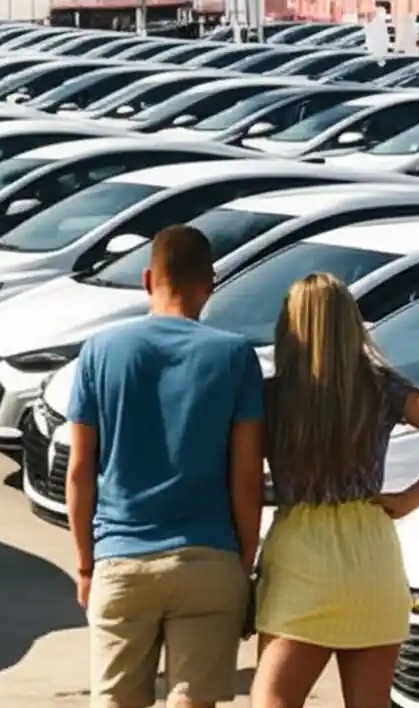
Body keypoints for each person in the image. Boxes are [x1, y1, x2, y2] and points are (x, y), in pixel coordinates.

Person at [251, 273, 419, 708]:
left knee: (274, 699)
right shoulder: (381, 388)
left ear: (288, 326)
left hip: (302, 559)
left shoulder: (271, 396)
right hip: (373, 558)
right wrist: (408, 499)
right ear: (350, 324)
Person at [66, 225, 266, 708]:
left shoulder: (100, 351)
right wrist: (242, 560)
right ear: (209, 284)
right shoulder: (235, 355)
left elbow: (79, 470)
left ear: (147, 278)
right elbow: (247, 476)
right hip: (208, 557)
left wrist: (85, 565)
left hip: (121, 555)